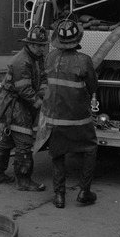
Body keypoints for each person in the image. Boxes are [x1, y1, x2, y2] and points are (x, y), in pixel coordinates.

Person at [34, 18, 99, 209]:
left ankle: (59, 196)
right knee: (90, 149)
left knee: (58, 155)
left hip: (55, 118)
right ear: (77, 39)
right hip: (79, 120)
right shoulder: (84, 60)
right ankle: (84, 192)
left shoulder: (50, 57)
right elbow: (93, 86)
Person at [0, 25, 49, 192]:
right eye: (38, 45)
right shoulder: (21, 61)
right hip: (14, 104)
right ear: (29, 44)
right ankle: (23, 180)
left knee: (8, 140)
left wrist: (45, 92)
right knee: (24, 142)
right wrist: (42, 105)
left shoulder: (37, 57)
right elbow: (24, 90)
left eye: (43, 45)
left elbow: (42, 77)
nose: (41, 48)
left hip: (22, 102)